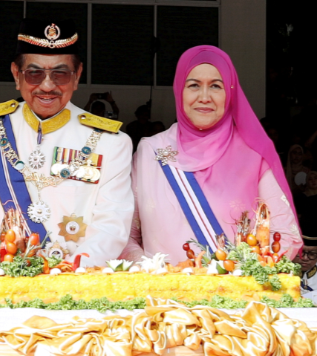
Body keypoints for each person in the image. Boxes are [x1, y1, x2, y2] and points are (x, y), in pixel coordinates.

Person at [0, 19, 132, 295]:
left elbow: (112, 226)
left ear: (77, 75)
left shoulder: (110, 143)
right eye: (34, 73)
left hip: (73, 300)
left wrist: (67, 285)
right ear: (16, 75)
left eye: (61, 74)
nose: (48, 85)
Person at [120, 45, 299, 261]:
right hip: (161, 291)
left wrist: (240, 275)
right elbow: (123, 235)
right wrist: (152, 271)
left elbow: (286, 237)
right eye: (194, 85)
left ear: (230, 92)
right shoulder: (150, 150)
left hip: (234, 292)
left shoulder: (253, 154)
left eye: (215, 86)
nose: (204, 97)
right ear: (179, 90)